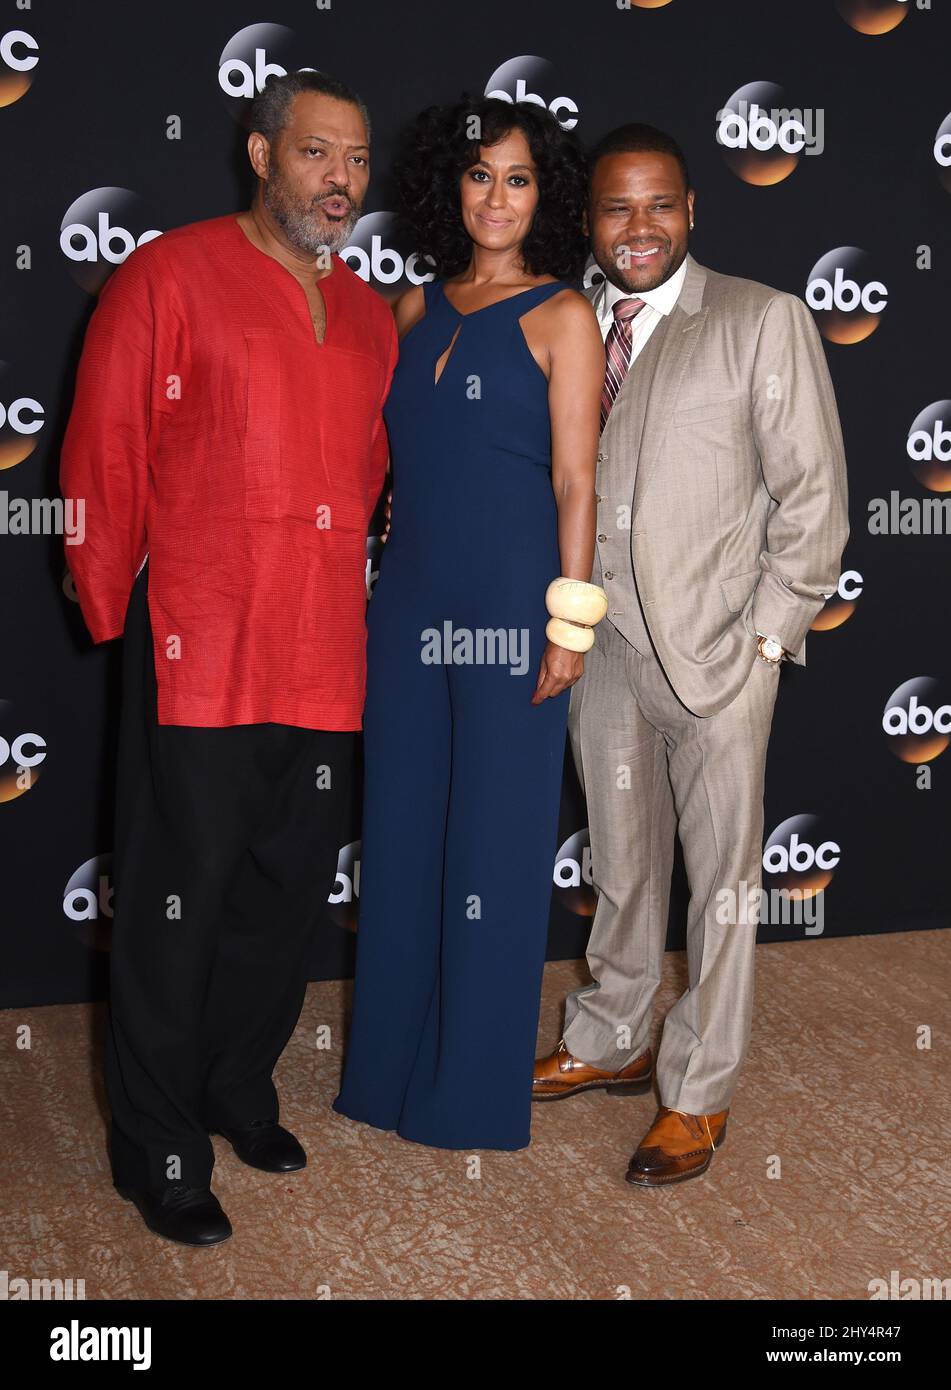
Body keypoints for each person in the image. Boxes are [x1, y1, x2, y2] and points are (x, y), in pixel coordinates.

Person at [59, 71, 397, 1244]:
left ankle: (234, 1086)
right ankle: (155, 1142)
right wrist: (110, 606)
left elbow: (366, 483)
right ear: (262, 154)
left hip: (323, 660)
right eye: (316, 154)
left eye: (354, 161)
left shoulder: (364, 312)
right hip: (197, 653)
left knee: (279, 900)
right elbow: (103, 447)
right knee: (173, 907)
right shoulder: (169, 273)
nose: (340, 181)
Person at [532, 124, 849, 1186]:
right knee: (621, 866)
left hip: (719, 658)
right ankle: (611, 1031)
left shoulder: (760, 319)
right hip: (604, 654)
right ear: (588, 219)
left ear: (693, 209)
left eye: (659, 205)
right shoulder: (562, 321)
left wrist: (766, 638)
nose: (638, 229)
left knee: (719, 885)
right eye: (616, 208)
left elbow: (813, 502)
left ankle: (699, 1091)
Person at [332, 96, 604, 1150]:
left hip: (510, 603)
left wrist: (570, 623)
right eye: (481, 173)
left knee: (493, 843)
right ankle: (385, 1073)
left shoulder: (562, 316)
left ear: (548, 195)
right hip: (406, 601)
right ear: (452, 183)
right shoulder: (412, 308)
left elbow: (578, 480)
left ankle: (468, 1094)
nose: (498, 196)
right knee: (400, 834)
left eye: (521, 177)